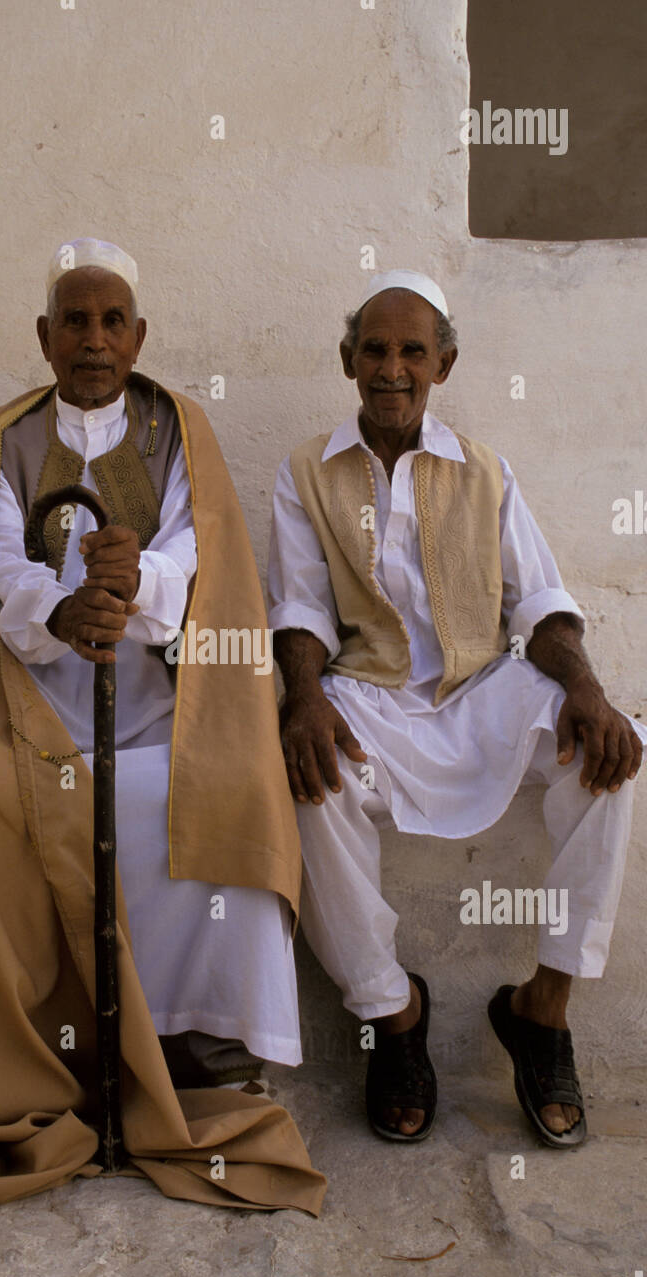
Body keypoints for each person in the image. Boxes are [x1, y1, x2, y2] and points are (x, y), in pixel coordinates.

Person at [0, 239, 324, 1216]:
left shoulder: (177, 427)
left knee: (220, 792)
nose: (93, 338)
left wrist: (135, 585)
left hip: (164, 697)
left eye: (110, 320)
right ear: (44, 337)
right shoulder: (5, 438)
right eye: (73, 321)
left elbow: (193, 550)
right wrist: (61, 607)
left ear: (138, 336)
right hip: (26, 698)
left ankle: (197, 1055)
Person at [268, 268, 644, 1149]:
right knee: (306, 777)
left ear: (444, 362)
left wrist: (587, 689)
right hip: (367, 695)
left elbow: (539, 604)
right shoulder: (304, 472)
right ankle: (392, 1014)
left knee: (616, 757)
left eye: (412, 351)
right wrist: (303, 698)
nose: (391, 368)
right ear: (347, 360)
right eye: (375, 349)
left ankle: (541, 1011)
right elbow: (298, 608)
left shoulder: (485, 470)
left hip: (482, 689)